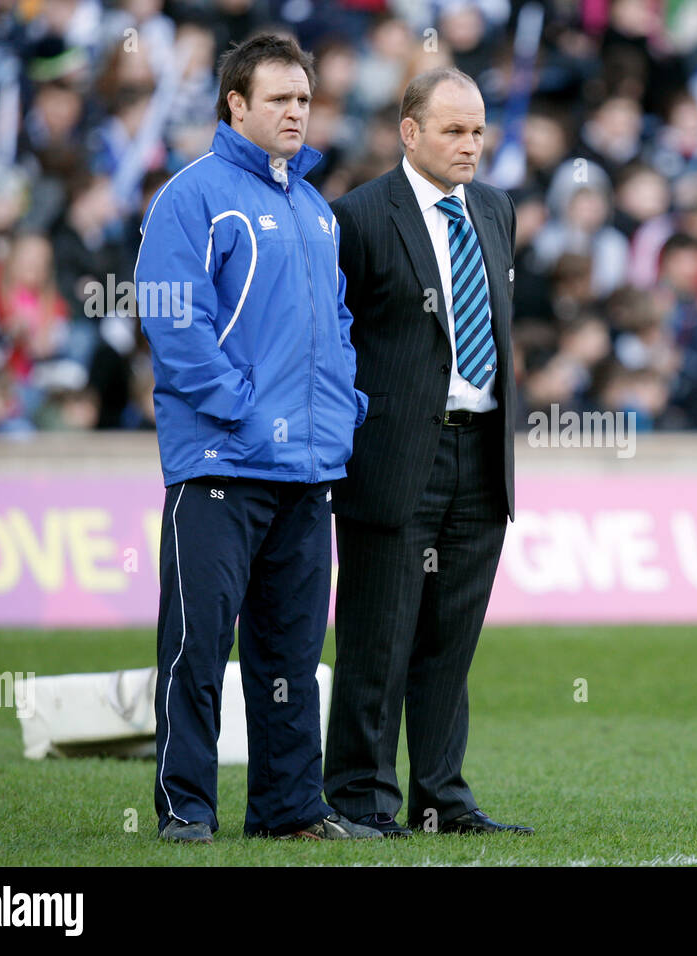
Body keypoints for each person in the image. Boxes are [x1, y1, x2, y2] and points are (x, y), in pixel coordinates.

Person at [135, 34, 377, 843]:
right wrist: (238, 406)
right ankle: (186, 811)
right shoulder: (189, 198)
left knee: (290, 658)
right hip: (220, 463)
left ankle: (287, 812)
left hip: (308, 469)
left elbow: (338, 326)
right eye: (279, 99)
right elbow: (174, 322)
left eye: (304, 100)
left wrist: (345, 410)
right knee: (197, 649)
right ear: (235, 104)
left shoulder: (315, 209)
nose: (296, 113)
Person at [326, 67, 530, 837]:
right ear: (409, 133)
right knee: (379, 635)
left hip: (479, 456)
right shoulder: (358, 217)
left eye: (477, 130)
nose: (470, 145)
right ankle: (359, 799)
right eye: (453, 130)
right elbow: (333, 343)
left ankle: (442, 797)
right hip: (394, 458)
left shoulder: (497, 210)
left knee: (450, 642)